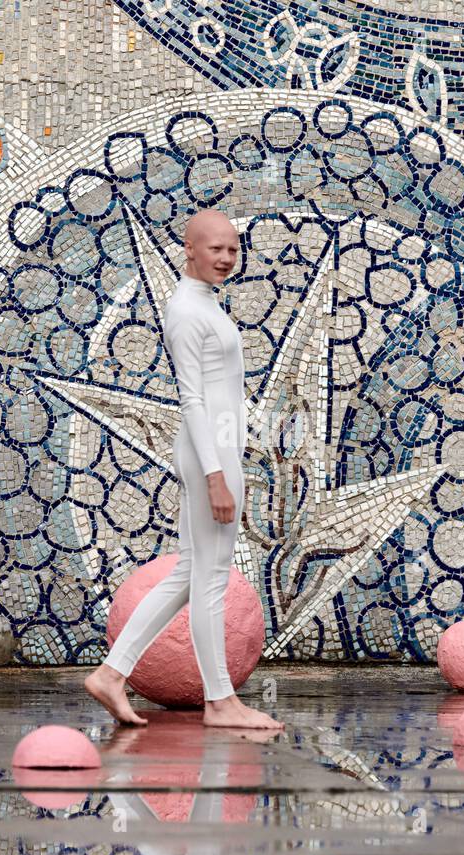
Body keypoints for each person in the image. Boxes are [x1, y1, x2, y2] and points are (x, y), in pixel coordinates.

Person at [84, 209, 283, 731]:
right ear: (189, 249)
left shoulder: (206, 303)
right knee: (212, 578)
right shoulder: (186, 311)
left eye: (233, 249)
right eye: (216, 248)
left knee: (191, 572)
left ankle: (111, 674)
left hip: (216, 450)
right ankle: (220, 701)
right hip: (209, 453)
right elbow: (192, 400)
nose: (227, 258)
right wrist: (216, 475)